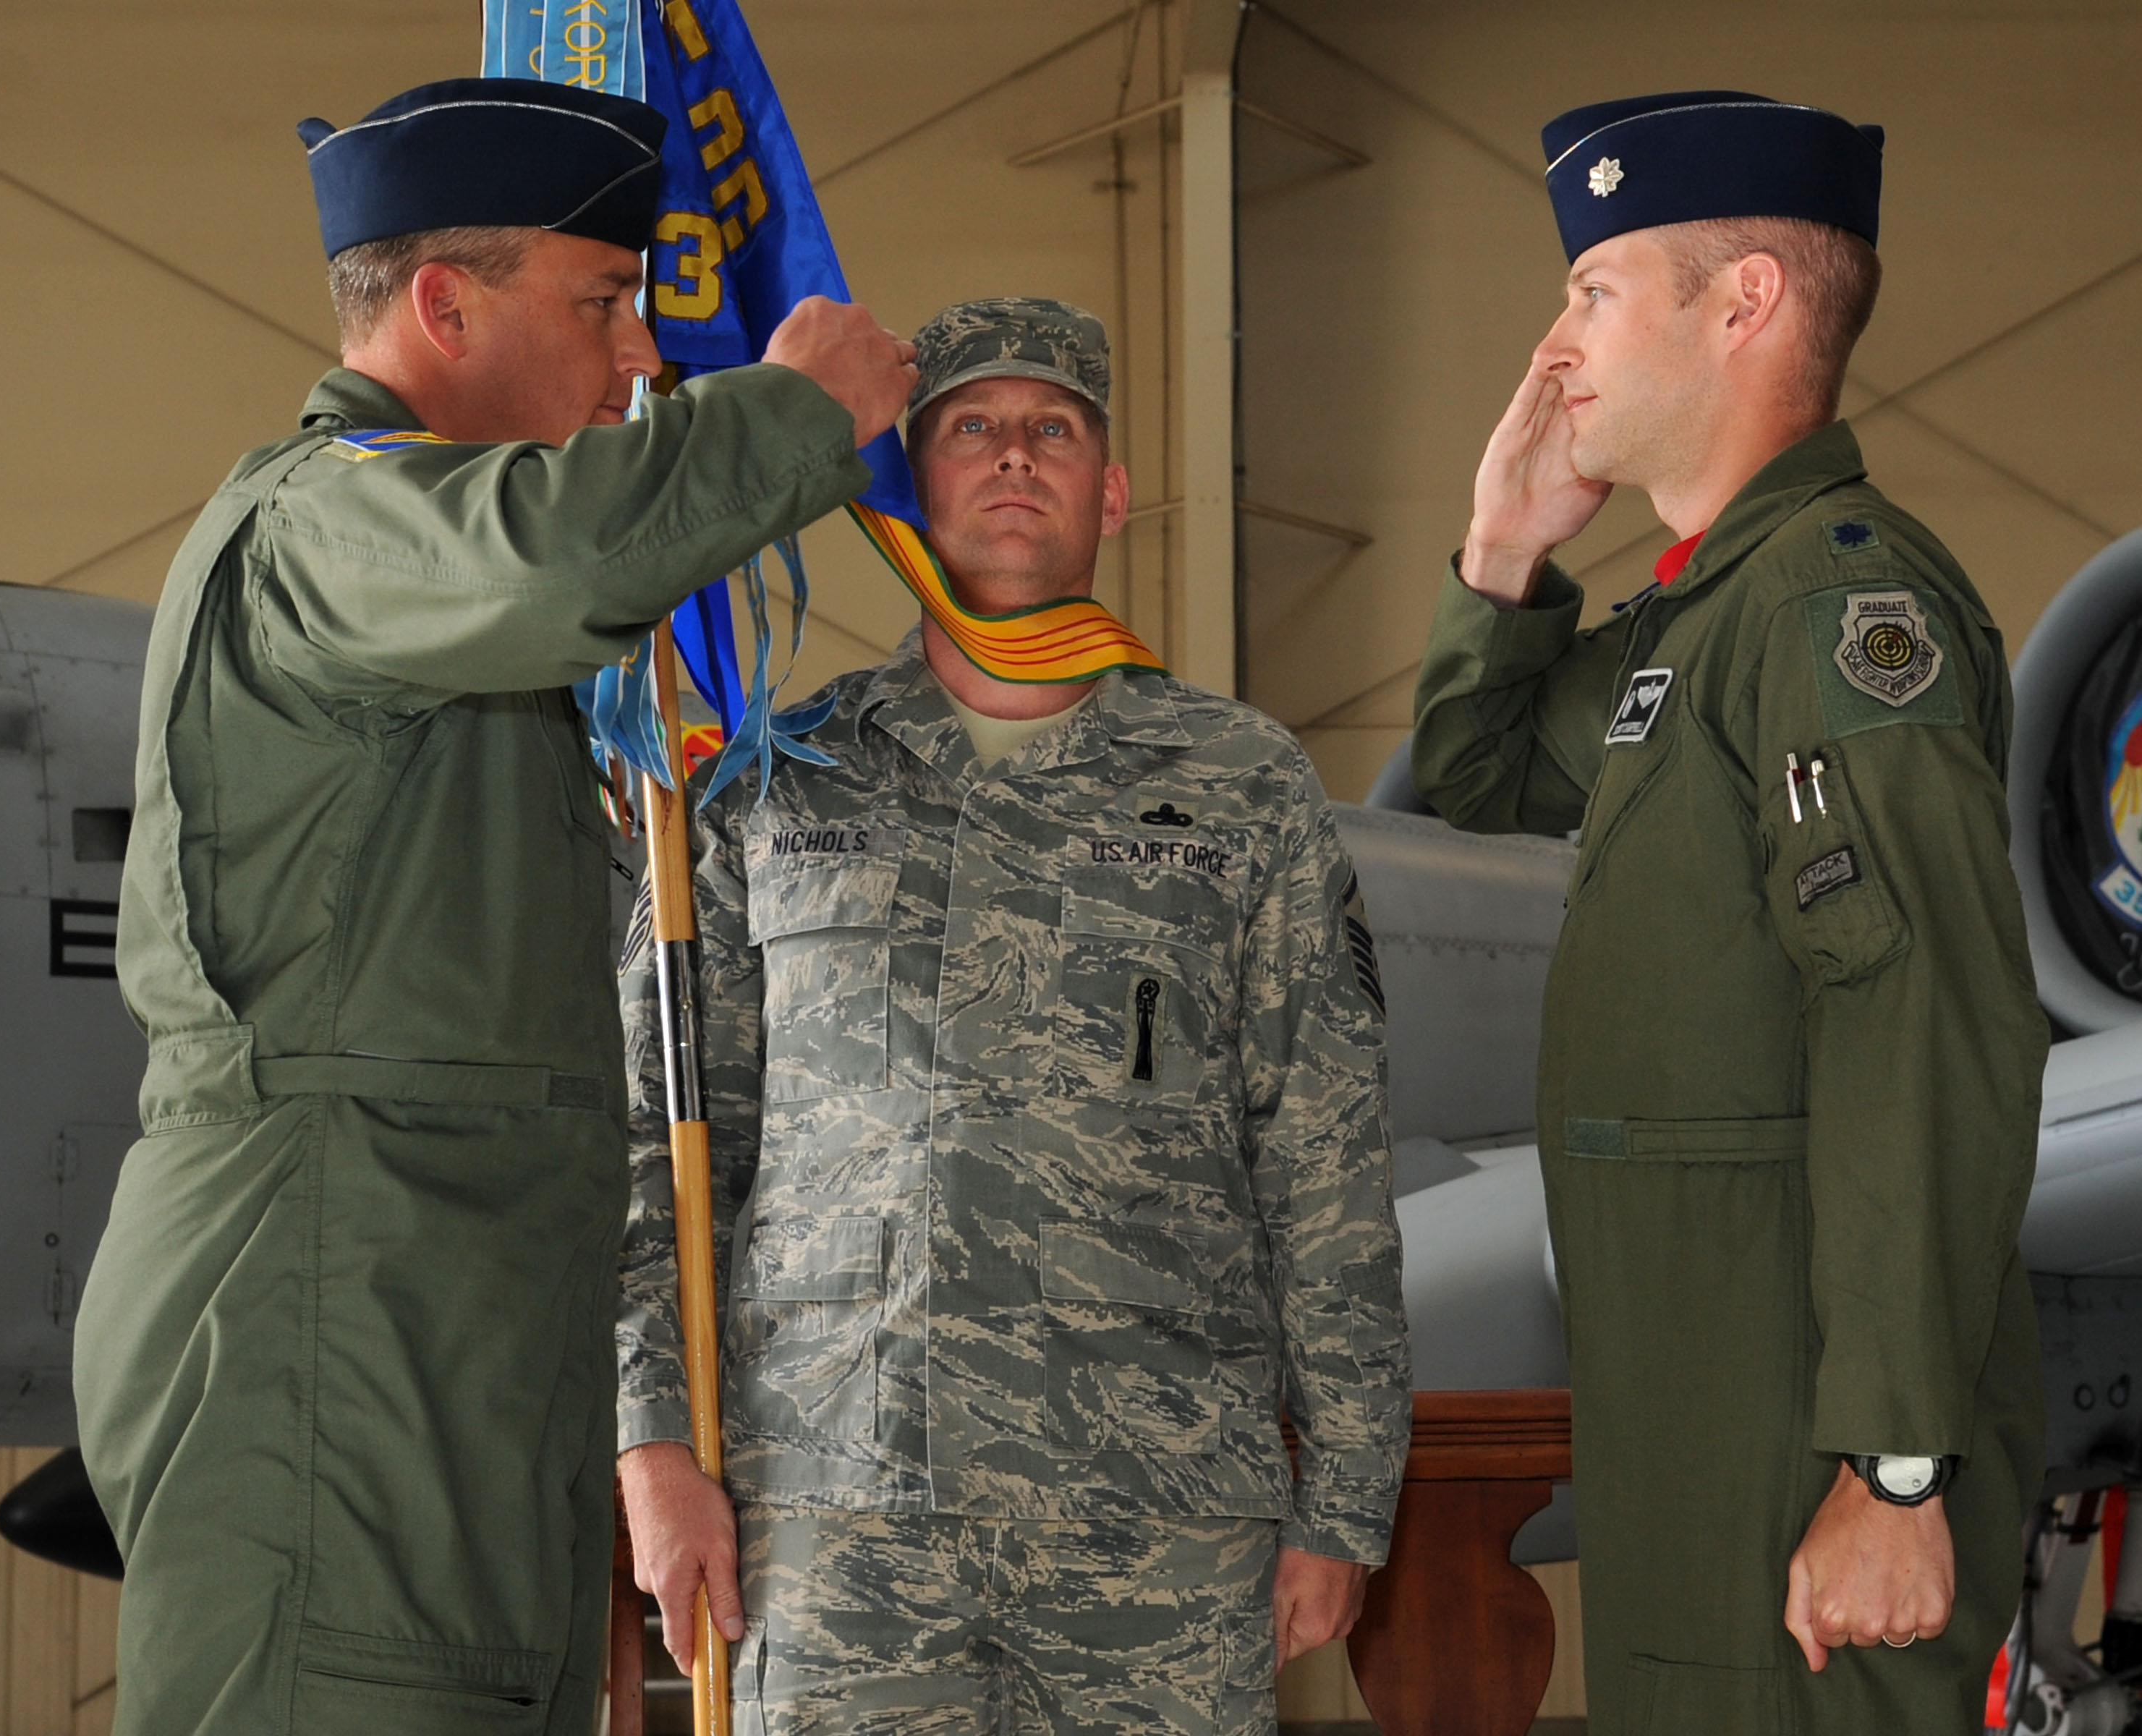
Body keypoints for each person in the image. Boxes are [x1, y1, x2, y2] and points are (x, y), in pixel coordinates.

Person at [72, 77, 915, 1736]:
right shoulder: (325, 525)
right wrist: (789, 412)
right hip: (335, 1319)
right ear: (443, 304)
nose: (636, 361)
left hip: (428, 1327)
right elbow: (557, 564)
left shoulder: (421, 584)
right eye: (602, 303)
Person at [615, 297, 1411, 1735]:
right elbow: (663, 1145)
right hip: (841, 1516)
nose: (1013, 457)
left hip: (1159, 1523)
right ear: (909, 483)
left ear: (1110, 491)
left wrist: (1346, 1498)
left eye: (1054, 429)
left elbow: (1326, 1154)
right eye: (970, 428)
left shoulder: (1238, 782)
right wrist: (655, 1450)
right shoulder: (774, 788)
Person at [1408, 93, 2045, 1734]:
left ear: (1745, 300)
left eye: (1596, 290)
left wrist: (1897, 1467)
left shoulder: (1837, 610)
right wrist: (1503, 554)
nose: (1555, 347)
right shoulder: (1699, 623)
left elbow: (1926, 1033)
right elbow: (1471, 791)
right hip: (1706, 1429)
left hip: (1814, 1450)